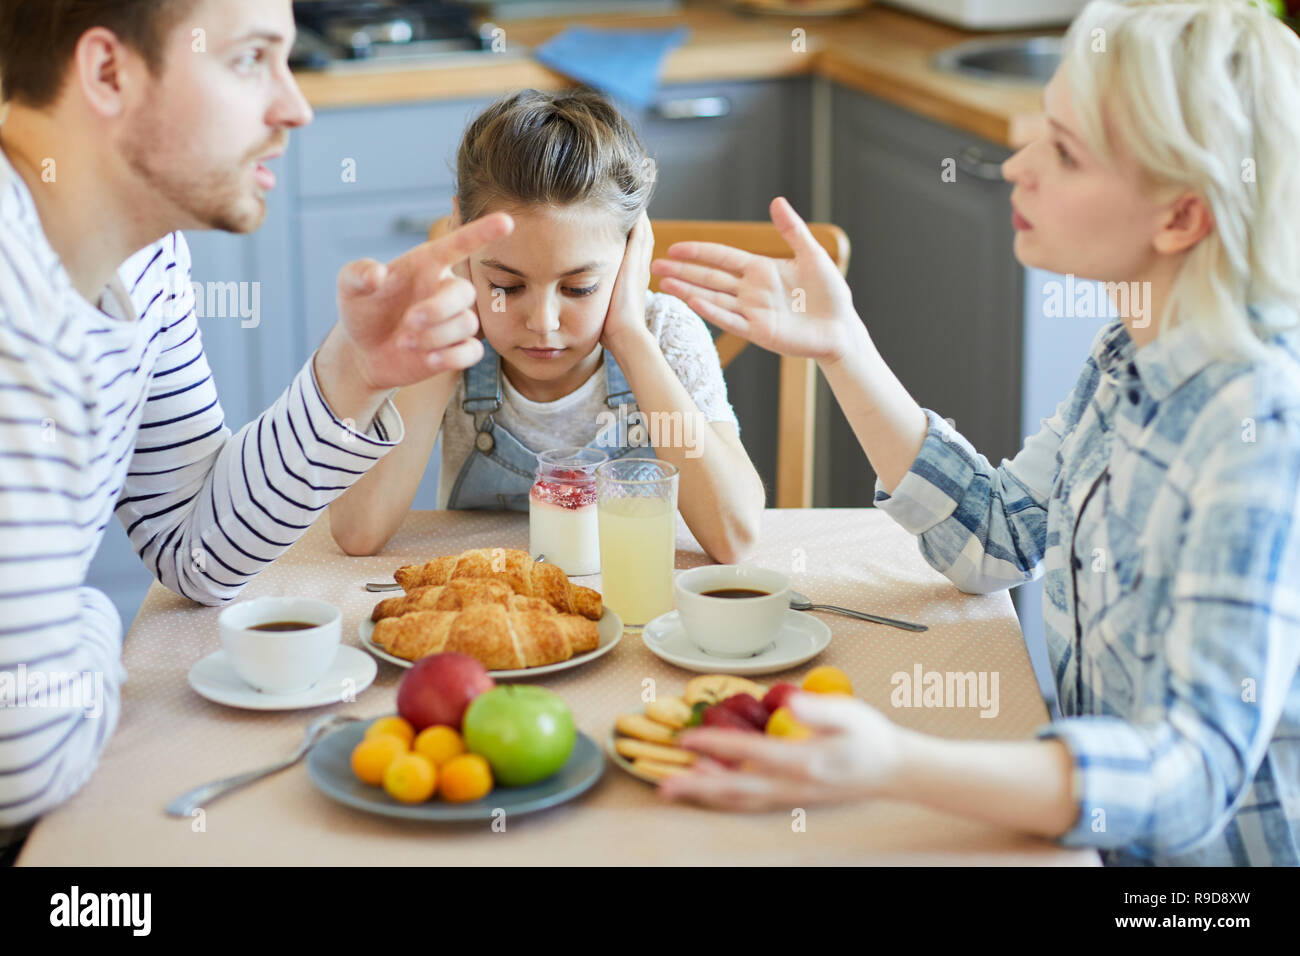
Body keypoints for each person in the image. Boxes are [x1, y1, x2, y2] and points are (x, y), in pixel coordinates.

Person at [651, 0, 1300, 866]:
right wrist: (843, 348)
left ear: (1181, 218)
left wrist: (895, 764)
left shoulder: (1261, 431)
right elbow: (998, 538)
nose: (1017, 166)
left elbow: (1192, 779)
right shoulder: (1130, 352)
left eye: (1063, 154)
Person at [0, 0, 512, 852]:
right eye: (250, 60)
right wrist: (90, 622)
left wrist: (353, 372)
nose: (295, 105)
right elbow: (22, 752)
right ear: (106, 72)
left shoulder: (142, 255)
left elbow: (194, 545)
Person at [328, 89, 765, 564]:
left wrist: (629, 336)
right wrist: (450, 328)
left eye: (579, 288)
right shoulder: (438, 336)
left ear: (630, 256)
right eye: (506, 285)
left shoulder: (663, 331)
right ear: (462, 243)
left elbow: (735, 536)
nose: (542, 323)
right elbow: (358, 532)